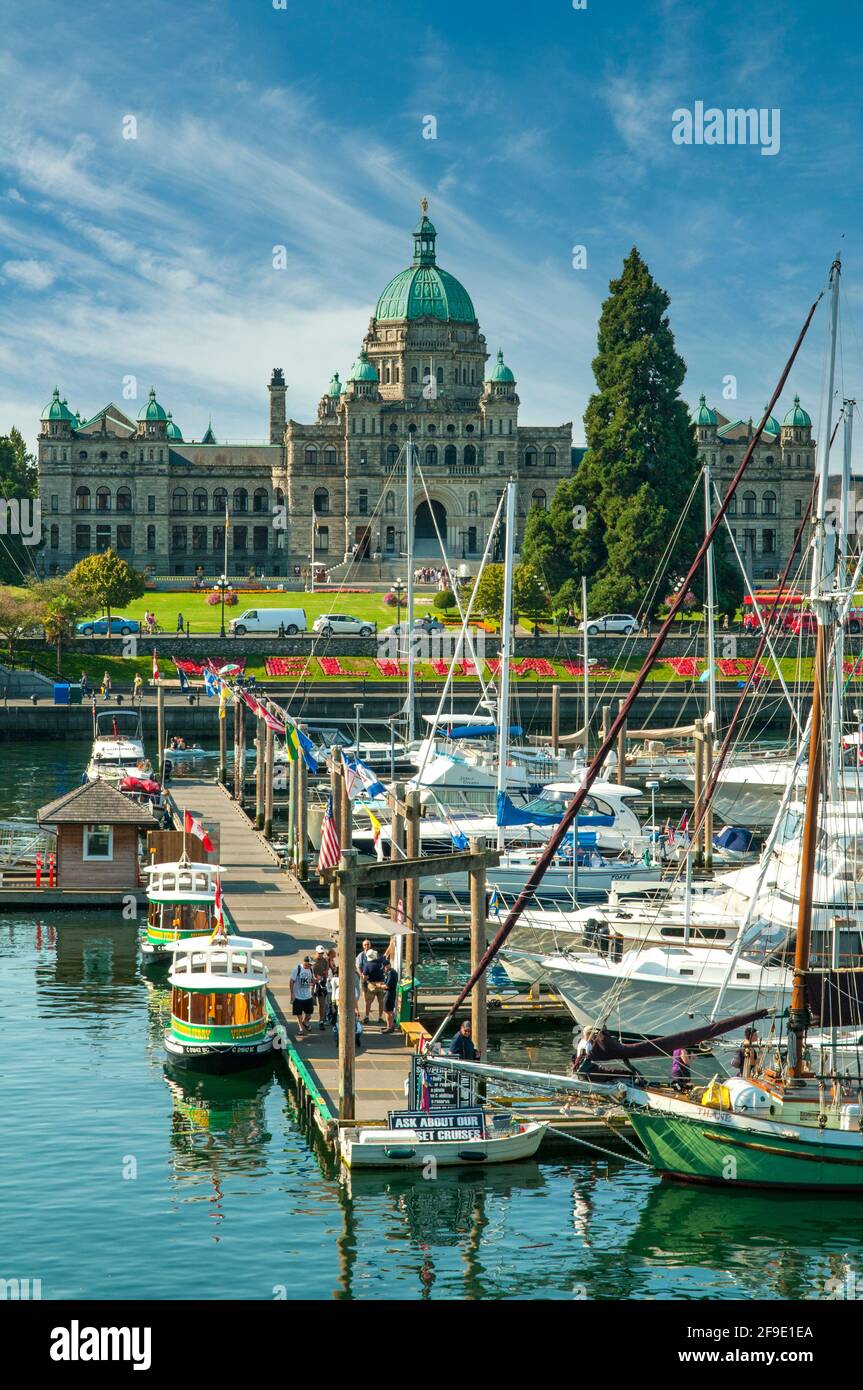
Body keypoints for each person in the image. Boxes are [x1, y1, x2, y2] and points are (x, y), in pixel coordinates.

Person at [289, 955, 315, 1035]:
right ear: (305, 962)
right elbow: (291, 981)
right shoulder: (297, 969)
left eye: (311, 964)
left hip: (308, 996)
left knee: (309, 1014)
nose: (311, 965)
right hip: (298, 996)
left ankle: (305, 1022)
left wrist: (314, 982)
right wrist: (292, 994)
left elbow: (311, 980)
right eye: (309, 964)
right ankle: (301, 1028)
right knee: (299, 1015)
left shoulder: (310, 969)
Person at [361, 948, 388, 1025]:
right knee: (381, 1002)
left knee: (368, 1002)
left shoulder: (367, 965)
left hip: (371, 984)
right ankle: (380, 1017)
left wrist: (364, 977)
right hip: (381, 984)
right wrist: (391, 943)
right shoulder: (381, 961)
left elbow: (365, 977)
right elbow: (386, 953)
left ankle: (366, 1017)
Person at [312, 945, 329, 1030]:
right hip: (312, 985)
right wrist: (314, 978)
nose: (321, 955)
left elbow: (326, 973)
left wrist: (323, 975)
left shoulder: (325, 961)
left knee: (322, 1004)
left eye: (322, 953)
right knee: (309, 1004)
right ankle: (306, 1021)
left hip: (321, 984)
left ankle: (321, 1021)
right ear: (316, 952)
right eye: (319, 953)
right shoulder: (312, 960)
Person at [382, 958, 399, 1034]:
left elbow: (387, 986)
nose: (384, 969)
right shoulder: (391, 972)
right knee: (389, 1010)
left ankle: (389, 1027)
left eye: (385, 967)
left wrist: (380, 986)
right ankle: (390, 1026)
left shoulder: (391, 973)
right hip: (390, 993)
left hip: (389, 993)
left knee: (387, 1010)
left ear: (388, 965)